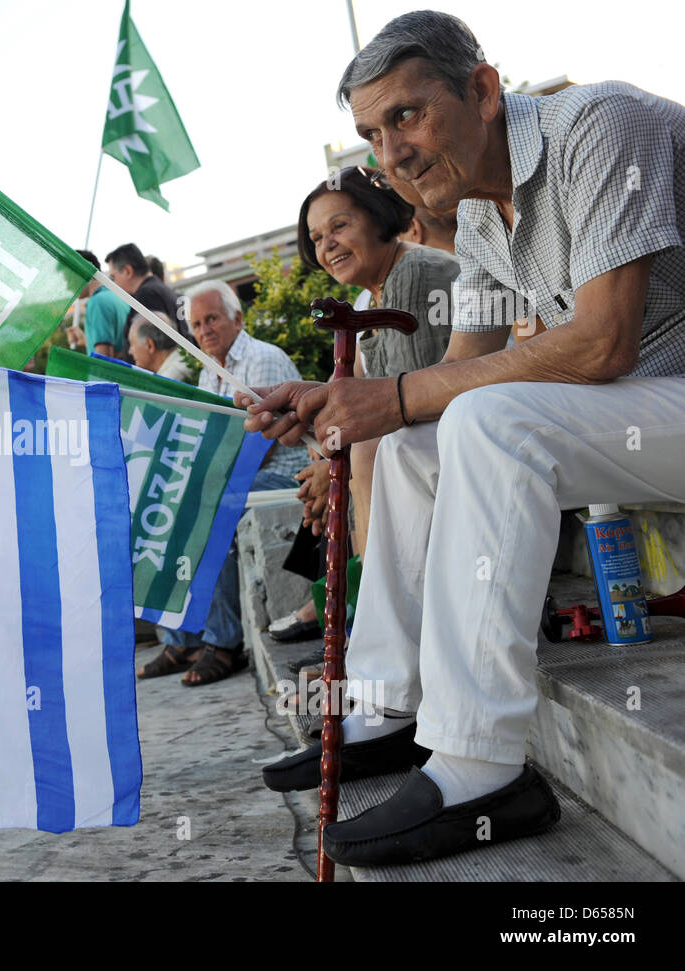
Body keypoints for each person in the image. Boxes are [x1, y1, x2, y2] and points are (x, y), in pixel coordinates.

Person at [246, 10, 685, 867]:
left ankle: (482, 766)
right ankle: (387, 707)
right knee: (416, 447)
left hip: (657, 393)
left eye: (406, 115)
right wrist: (341, 402)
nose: (392, 153)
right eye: (373, 133)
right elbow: (459, 370)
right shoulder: (482, 222)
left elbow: (603, 341)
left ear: (483, 90)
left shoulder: (599, 124)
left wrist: (399, 392)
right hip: (651, 414)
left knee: (480, 417)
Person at [270, 166, 461, 647]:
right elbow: (350, 390)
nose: (327, 244)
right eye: (316, 236)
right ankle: (356, 616)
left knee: (361, 453)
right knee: (331, 454)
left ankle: (376, 629)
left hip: (457, 434)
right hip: (419, 442)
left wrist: (333, 464)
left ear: (378, 218)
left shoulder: (414, 276)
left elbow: (401, 405)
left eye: (339, 226)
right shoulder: (369, 293)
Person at [137, 279, 308, 686]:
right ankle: (183, 639)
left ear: (238, 318)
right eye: (196, 325)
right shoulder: (210, 373)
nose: (204, 331)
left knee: (208, 510)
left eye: (211, 319)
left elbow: (261, 446)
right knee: (167, 507)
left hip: (282, 472)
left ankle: (223, 643)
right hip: (242, 476)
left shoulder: (260, 359)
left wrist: (202, 485)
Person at [105, 242, 183, 335]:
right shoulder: (156, 287)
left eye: (113, 277)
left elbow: (151, 343)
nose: (114, 283)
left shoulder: (146, 295)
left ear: (127, 271)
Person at [72, 249, 131, 360]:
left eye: (69, 278)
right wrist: (86, 341)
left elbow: (104, 358)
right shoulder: (117, 296)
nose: (68, 286)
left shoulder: (97, 303)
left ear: (82, 272)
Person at [126, 313, 194, 383]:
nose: (130, 351)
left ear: (150, 346)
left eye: (132, 344)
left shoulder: (168, 380)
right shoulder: (184, 361)